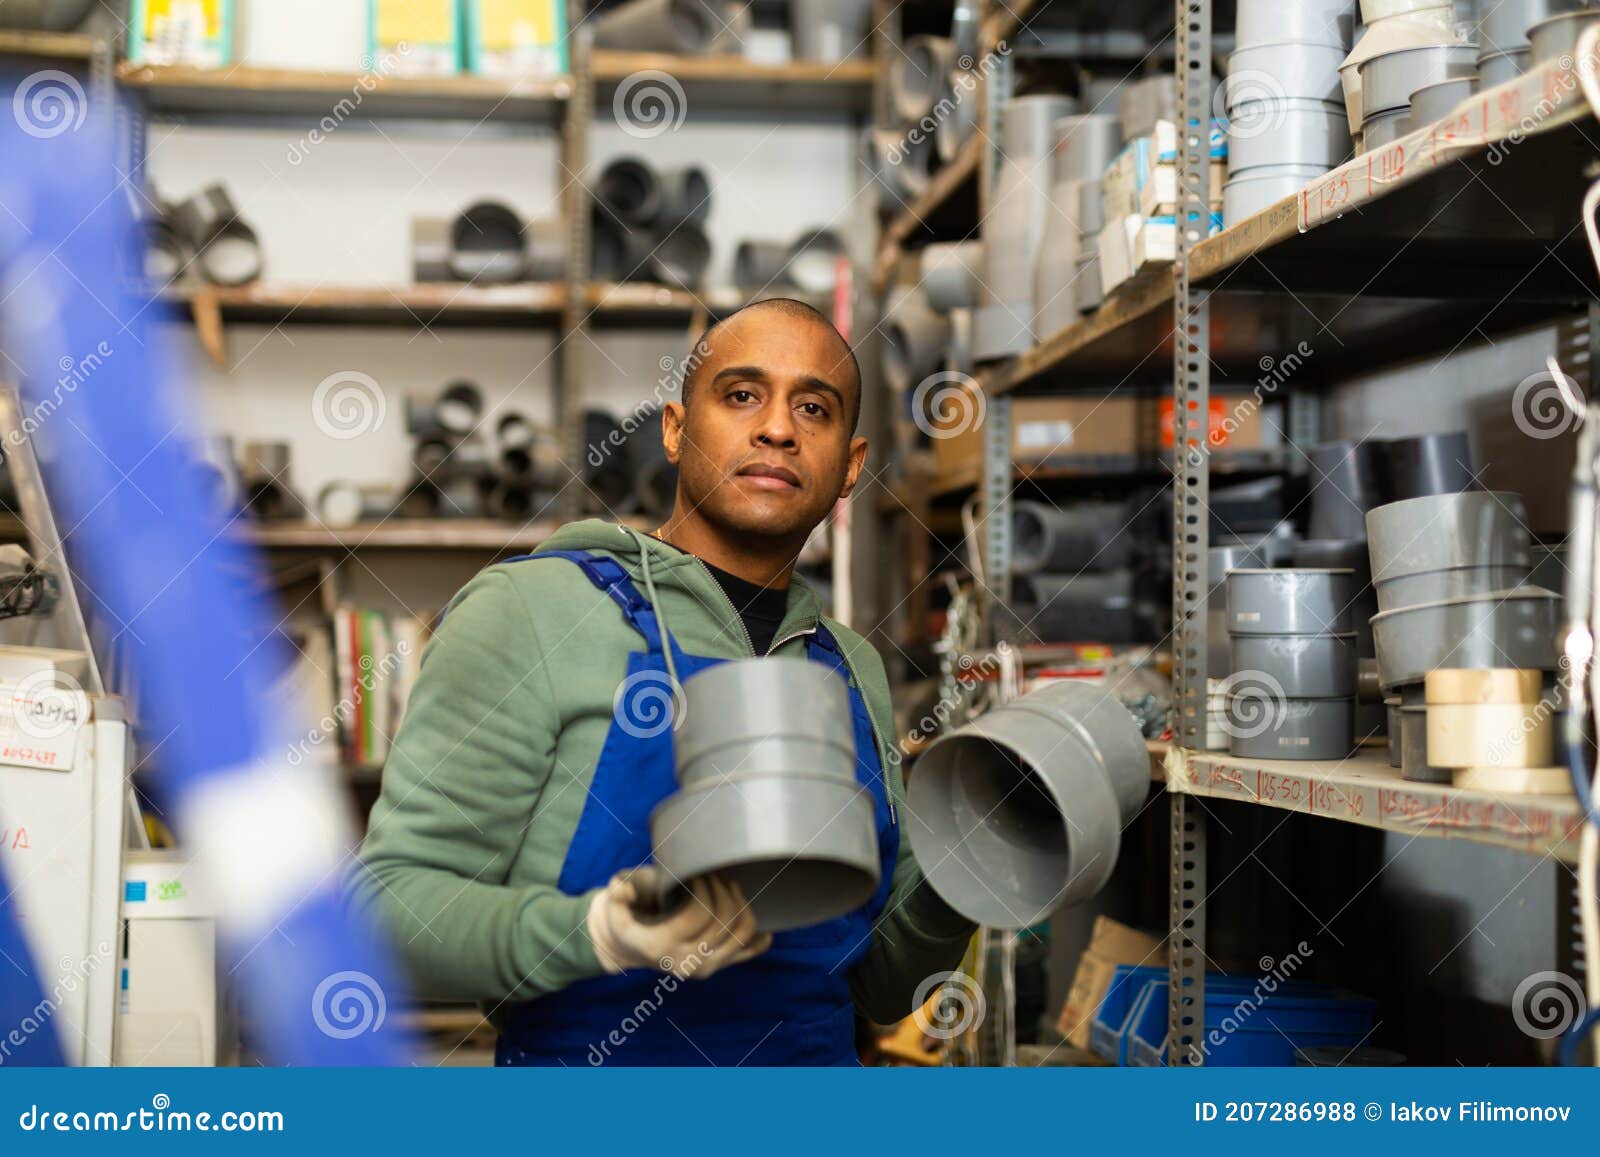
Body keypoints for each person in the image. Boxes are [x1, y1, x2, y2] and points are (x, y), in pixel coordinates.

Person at [348, 297, 975, 1066]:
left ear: (849, 465)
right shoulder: (533, 613)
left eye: (813, 407)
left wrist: (971, 864)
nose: (778, 427)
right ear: (675, 430)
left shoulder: (850, 667)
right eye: (741, 395)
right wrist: (597, 933)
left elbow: (879, 988)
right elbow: (387, 910)